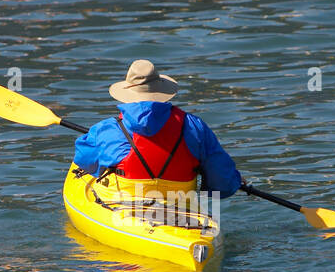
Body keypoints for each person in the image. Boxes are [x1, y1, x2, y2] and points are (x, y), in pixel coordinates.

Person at [72, 60, 242, 200]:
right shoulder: (194, 126)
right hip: (181, 205)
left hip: (124, 205)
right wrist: (234, 181)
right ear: (162, 91)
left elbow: (84, 160)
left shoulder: (107, 129)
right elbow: (222, 181)